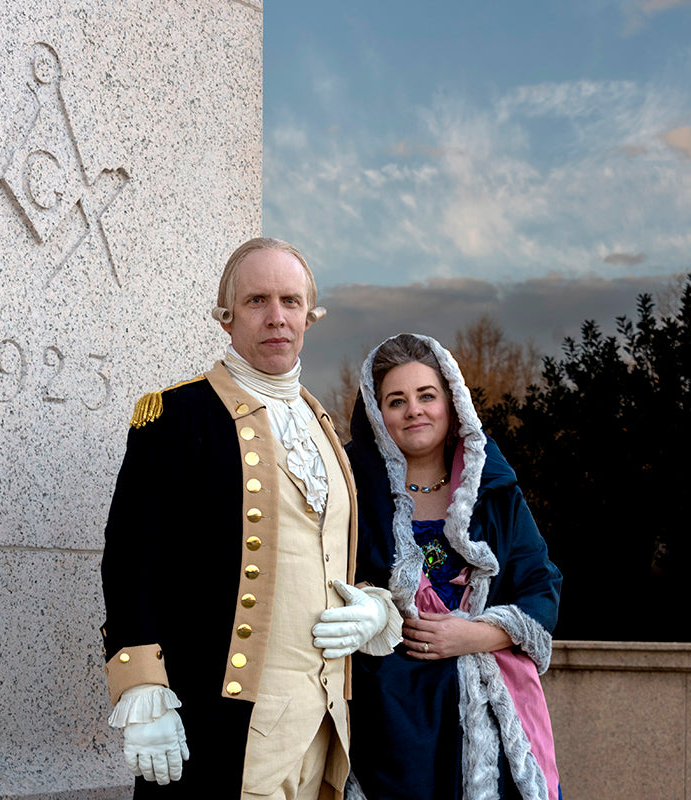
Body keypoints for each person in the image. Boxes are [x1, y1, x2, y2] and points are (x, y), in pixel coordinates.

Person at [100, 238, 403, 800]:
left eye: (291, 301)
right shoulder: (176, 416)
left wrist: (374, 608)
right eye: (257, 300)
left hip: (325, 728)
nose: (276, 317)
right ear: (226, 316)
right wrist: (141, 688)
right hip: (227, 726)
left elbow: (337, 558)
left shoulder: (326, 429)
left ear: (309, 316)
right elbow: (131, 559)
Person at [345, 333, 562, 800]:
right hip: (393, 716)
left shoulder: (495, 489)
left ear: (453, 402)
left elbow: (540, 585)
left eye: (427, 395)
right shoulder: (353, 495)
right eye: (396, 401)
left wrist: (476, 634)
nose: (414, 411)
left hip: (491, 713)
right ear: (377, 415)